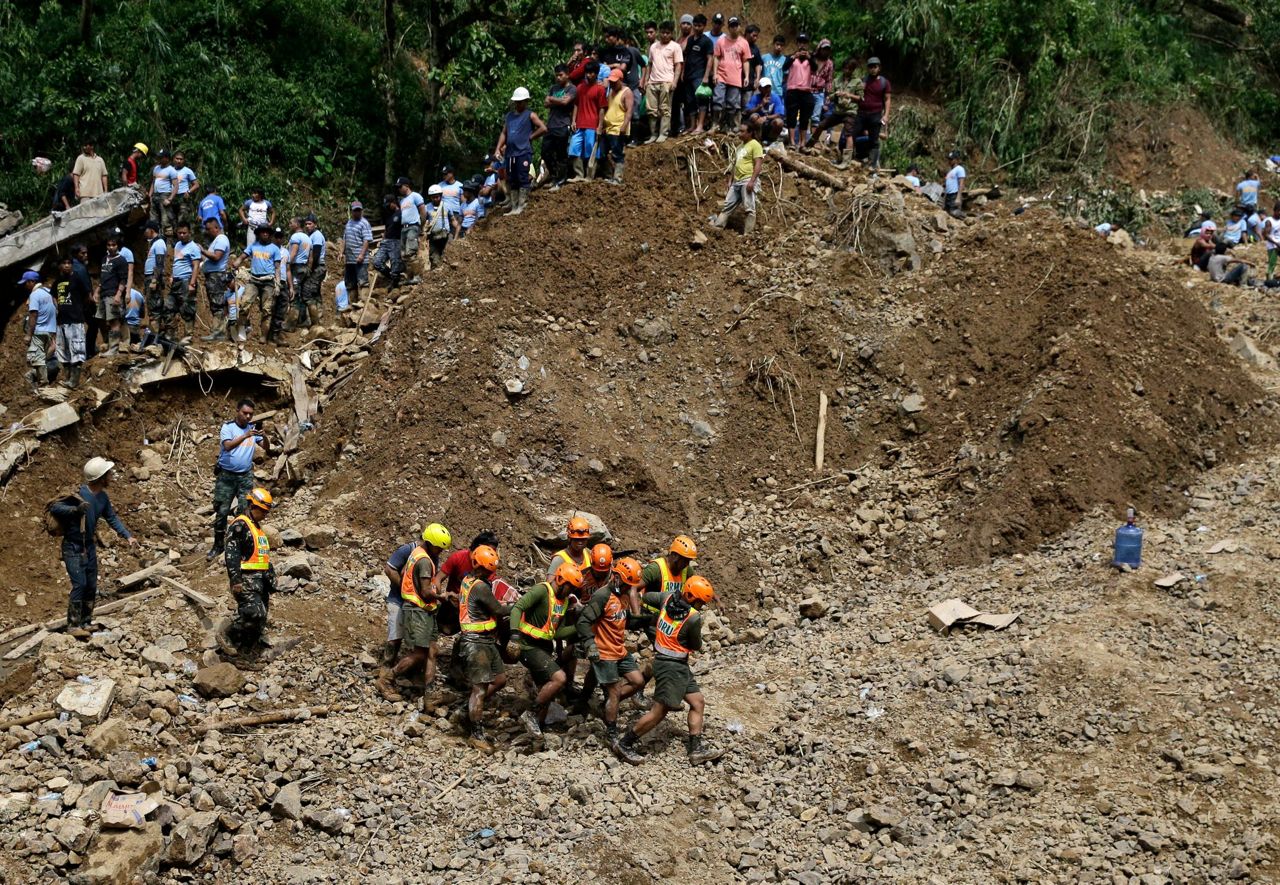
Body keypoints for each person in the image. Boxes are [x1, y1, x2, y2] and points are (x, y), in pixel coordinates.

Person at [614, 575, 721, 765]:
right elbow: (696, 644)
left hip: (669, 662)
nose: (701, 606)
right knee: (658, 711)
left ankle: (696, 749)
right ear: (693, 598)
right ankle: (625, 743)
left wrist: (653, 617)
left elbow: (646, 597)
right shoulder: (693, 617)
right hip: (673, 666)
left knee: (697, 701)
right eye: (700, 602)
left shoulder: (667, 598)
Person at [50, 458, 139, 638]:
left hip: (88, 546)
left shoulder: (103, 498)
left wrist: (128, 536)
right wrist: (75, 510)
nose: (111, 476)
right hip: (73, 547)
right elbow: (55, 508)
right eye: (109, 474)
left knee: (91, 585)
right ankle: (73, 625)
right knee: (80, 584)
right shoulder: (78, 495)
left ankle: (86, 622)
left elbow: (112, 518)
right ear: (100, 478)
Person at [376, 523, 452, 702]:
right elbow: (425, 591)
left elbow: (407, 574)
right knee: (419, 652)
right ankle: (387, 678)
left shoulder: (418, 554)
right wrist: (443, 596)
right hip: (418, 609)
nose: (440, 552)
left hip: (422, 608)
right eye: (439, 548)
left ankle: (429, 694)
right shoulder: (424, 560)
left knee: (432, 650)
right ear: (430, 542)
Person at [511, 561, 585, 740]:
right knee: (559, 678)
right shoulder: (542, 591)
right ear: (560, 580)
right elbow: (518, 607)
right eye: (570, 587)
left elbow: (556, 632)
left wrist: (579, 628)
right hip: (528, 645)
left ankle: (538, 731)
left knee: (547, 690)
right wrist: (514, 636)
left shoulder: (564, 602)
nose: (571, 592)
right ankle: (531, 714)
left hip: (543, 647)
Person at [577, 556, 647, 743]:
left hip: (619, 649)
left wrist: (643, 620)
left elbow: (623, 619)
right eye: (625, 584)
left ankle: (603, 705)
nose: (627, 589)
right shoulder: (602, 596)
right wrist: (590, 644)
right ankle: (611, 731)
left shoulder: (623, 595)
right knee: (614, 691)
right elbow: (583, 621)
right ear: (616, 577)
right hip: (604, 651)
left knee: (637, 681)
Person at [453, 545, 510, 752]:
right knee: (480, 688)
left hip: (484, 640)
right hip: (475, 642)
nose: (490, 574)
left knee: (500, 679)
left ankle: (464, 711)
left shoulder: (469, 579)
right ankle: (475, 733)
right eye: (488, 570)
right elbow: (498, 609)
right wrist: (517, 606)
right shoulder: (480, 587)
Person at [217, 487, 277, 657]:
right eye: (263, 511)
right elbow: (232, 554)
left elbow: (260, 556)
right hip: (246, 579)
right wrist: (235, 580)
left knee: (260, 619)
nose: (265, 515)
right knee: (253, 614)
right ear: (252, 506)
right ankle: (227, 633)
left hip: (260, 580)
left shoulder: (256, 528)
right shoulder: (240, 525)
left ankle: (245, 654)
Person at [208, 399, 261, 560]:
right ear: (237, 411)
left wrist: (264, 437)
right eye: (245, 413)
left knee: (244, 511)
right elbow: (228, 446)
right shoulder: (228, 427)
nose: (248, 416)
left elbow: (266, 447)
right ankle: (218, 545)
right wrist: (246, 435)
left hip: (245, 476)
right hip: (227, 476)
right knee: (222, 510)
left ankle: (238, 545)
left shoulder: (252, 429)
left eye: (251, 414)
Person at [494, 87, 547, 215]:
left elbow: (543, 128)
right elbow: (504, 133)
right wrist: (498, 149)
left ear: (526, 101)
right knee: (512, 179)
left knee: (523, 177)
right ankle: (514, 206)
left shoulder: (530, 115)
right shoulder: (509, 116)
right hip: (510, 153)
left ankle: (522, 205)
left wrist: (531, 137)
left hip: (523, 152)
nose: (518, 104)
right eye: (517, 102)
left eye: (521, 101)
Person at [711, 121, 764, 234]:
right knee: (727, 206)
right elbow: (735, 164)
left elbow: (758, 165)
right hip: (737, 182)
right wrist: (730, 180)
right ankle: (717, 228)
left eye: (742, 131)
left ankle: (748, 234)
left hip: (747, 179)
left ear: (750, 133)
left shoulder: (755, 145)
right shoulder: (740, 147)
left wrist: (752, 181)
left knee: (749, 208)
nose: (739, 133)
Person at [805, 56, 860, 163]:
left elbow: (861, 98)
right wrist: (831, 97)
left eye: (849, 69)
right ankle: (809, 145)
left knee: (849, 134)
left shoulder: (857, 82)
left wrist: (848, 95)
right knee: (821, 125)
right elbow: (831, 95)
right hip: (838, 111)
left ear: (853, 70)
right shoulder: (837, 80)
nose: (847, 71)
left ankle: (846, 160)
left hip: (850, 112)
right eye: (845, 68)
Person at [235, 225, 282, 342]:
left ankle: (263, 336)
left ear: (269, 234)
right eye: (263, 232)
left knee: (267, 309)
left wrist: (278, 284)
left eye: (267, 232)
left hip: (268, 281)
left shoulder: (274, 249)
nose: (265, 234)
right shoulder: (253, 246)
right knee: (244, 304)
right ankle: (241, 331)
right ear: (259, 234)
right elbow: (242, 256)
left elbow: (277, 268)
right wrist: (237, 262)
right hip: (254, 280)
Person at [53, 253, 89, 389]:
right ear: (60, 266)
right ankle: (67, 379)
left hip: (75, 320)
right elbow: (54, 296)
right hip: (61, 321)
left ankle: (74, 382)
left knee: (77, 349)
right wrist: (57, 307)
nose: (67, 265)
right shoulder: (58, 281)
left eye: (69, 263)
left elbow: (87, 296)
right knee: (63, 350)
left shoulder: (77, 279)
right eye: (64, 263)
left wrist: (78, 309)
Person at [709, 16, 751, 132]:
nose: (734, 28)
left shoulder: (744, 43)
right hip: (721, 75)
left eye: (736, 25)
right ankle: (715, 124)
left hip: (735, 77)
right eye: (732, 26)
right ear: (728, 27)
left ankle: (728, 126)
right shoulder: (721, 41)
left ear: (739, 27)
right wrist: (715, 73)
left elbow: (746, 60)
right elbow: (716, 57)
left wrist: (746, 76)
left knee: (732, 104)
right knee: (717, 100)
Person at [643, 21, 683, 143]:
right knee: (651, 109)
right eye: (663, 32)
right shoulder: (653, 47)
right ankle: (653, 134)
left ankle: (663, 133)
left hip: (667, 81)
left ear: (671, 34)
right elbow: (649, 64)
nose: (665, 35)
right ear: (659, 33)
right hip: (653, 82)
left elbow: (678, 65)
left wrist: (675, 81)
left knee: (665, 109)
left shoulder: (675, 46)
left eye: (668, 33)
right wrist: (646, 80)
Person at [569, 67, 607, 182]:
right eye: (587, 73)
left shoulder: (600, 89)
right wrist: (573, 120)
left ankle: (590, 176)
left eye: (591, 73)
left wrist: (600, 125)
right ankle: (579, 174)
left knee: (591, 151)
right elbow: (576, 104)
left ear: (596, 74)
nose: (588, 75)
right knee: (573, 148)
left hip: (592, 124)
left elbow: (602, 109)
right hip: (580, 124)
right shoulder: (580, 88)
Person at [543, 65, 578, 189]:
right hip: (551, 124)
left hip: (563, 124)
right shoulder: (554, 88)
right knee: (545, 152)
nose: (558, 77)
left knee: (561, 154)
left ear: (567, 75)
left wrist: (552, 99)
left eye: (561, 75)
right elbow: (545, 103)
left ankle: (560, 180)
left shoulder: (572, 88)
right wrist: (556, 100)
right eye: (556, 75)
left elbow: (565, 102)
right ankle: (554, 176)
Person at [166, 223, 202, 340]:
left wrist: (192, 283)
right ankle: (170, 335)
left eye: (184, 233)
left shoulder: (193, 247)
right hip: (176, 281)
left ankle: (188, 337)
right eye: (179, 233)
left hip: (186, 281)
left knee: (187, 309)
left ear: (189, 233)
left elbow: (196, 266)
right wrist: (172, 275)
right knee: (169, 307)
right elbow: (176, 262)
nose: (182, 235)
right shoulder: (177, 245)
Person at [599, 69, 634, 184]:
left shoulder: (627, 92)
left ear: (621, 80)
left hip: (618, 129)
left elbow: (629, 111)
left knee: (617, 154)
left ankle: (617, 178)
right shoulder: (611, 92)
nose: (612, 84)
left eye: (615, 82)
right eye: (611, 82)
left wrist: (624, 126)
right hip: (608, 128)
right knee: (602, 153)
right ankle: (608, 175)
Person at [22, 270, 56, 388]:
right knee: (44, 355)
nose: (25, 286)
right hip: (50, 330)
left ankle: (43, 384)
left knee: (37, 358)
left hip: (39, 330)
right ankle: (43, 380)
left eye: (26, 283)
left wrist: (29, 334)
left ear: (32, 282)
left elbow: (33, 315)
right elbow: (56, 308)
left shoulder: (34, 295)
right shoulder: (49, 291)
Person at [200, 217, 232, 340]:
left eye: (209, 229)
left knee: (217, 304)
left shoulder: (222, 239)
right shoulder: (217, 240)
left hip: (216, 276)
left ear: (216, 227)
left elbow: (216, 257)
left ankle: (218, 332)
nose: (207, 231)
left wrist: (202, 250)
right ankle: (218, 332)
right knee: (215, 304)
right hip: (213, 276)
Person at [682, 15, 714, 134]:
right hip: (688, 76)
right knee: (690, 101)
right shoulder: (690, 40)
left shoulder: (707, 41)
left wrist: (706, 76)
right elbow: (686, 56)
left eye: (699, 26)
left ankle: (700, 126)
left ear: (704, 26)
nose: (696, 28)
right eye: (695, 25)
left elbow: (710, 59)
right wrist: (683, 73)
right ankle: (692, 126)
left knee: (701, 100)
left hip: (699, 76)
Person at [782, 35, 816, 147]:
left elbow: (815, 69)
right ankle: (792, 141)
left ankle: (802, 142)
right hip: (792, 90)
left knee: (804, 118)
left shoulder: (811, 58)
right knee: (791, 116)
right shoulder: (790, 57)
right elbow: (784, 67)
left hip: (806, 90)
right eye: (800, 42)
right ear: (797, 44)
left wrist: (809, 57)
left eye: (804, 42)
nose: (802, 45)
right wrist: (793, 57)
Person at [341, 201, 373, 305]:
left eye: (359, 210)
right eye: (355, 210)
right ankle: (352, 303)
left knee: (363, 281)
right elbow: (345, 238)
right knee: (350, 283)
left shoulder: (364, 223)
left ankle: (364, 303)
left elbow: (367, 240)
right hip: (350, 259)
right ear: (352, 211)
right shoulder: (349, 223)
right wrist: (342, 252)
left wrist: (362, 255)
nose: (357, 212)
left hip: (360, 259)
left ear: (361, 211)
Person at [285, 216, 312, 330]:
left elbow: (294, 252)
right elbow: (311, 256)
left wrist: (287, 263)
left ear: (297, 224)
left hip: (296, 267)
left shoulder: (295, 237)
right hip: (305, 268)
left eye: (291, 223)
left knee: (294, 295)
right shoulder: (307, 237)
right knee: (302, 296)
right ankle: (303, 320)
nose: (289, 224)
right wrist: (309, 269)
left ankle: (290, 325)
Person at [141, 221, 167, 337]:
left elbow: (160, 264)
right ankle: (153, 335)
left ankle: (155, 336)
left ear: (151, 230)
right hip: (149, 277)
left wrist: (154, 280)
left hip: (153, 277)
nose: (144, 232)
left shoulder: (160, 243)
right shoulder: (154, 244)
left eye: (145, 230)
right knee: (151, 307)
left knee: (155, 308)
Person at [372, 194, 404, 287]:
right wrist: (383, 240)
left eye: (388, 205)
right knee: (377, 263)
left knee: (395, 266)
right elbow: (386, 229)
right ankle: (391, 277)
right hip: (386, 242)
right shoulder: (388, 215)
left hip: (396, 241)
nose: (387, 207)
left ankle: (395, 286)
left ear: (394, 203)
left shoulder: (401, 213)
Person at [744, 78, 786, 144]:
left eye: (769, 87)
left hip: (770, 123)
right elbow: (748, 111)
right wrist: (760, 105)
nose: (767, 89)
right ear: (760, 89)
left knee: (779, 122)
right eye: (765, 87)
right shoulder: (755, 97)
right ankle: (757, 139)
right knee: (754, 117)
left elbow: (779, 114)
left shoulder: (776, 98)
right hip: (757, 124)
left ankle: (771, 140)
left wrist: (765, 117)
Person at [808, 40, 835, 138]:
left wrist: (828, 96)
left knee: (816, 117)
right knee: (805, 115)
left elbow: (829, 80)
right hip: (807, 90)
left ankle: (813, 140)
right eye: (824, 49)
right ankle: (802, 139)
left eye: (827, 49)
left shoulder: (829, 63)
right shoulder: (811, 59)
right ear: (819, 49)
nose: (825, 51)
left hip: (820, 92)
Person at [396, 177, 425, 266]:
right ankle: (408, 276)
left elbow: (423, 211)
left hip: (413, 226)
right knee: (404, 254)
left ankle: (416, 276)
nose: (399, 189)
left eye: (400, 186)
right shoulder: (402, 201)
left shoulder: (415, 196)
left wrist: (421, 226)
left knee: (411, 252)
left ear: (407, 186)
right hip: (403, 228)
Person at [149, 149, 178, 237]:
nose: (160, 159)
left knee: (166, 221)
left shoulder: (171, 170)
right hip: (155, 195)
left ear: (167, 158)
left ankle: (169, 243)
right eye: (159, 157)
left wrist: (170, 199)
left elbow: (176, 186)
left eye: (162, 157)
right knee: (153, 220)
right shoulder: (156, 168)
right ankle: (155, 239)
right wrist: (150, 195)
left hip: (165, 195)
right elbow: (153, 182)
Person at [304, 215, 327, 319]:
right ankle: (319, 312)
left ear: (315, 225)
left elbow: (316, 254)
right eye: (306, 224)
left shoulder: (317, 235)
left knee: (308, 292)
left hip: (317, 267)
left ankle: (313, 319)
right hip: (317, 267)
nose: (307, 226)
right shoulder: (311, 235)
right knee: (315, 291)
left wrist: (310, 269)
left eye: (310, 224)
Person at [425, 185, 452, 270]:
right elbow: (423, 221)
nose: (435, 199)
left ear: (441, 196)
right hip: (433, 237)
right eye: (433, 197)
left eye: (437, 197)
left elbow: (453, 220)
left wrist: (456, 234)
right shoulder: (426, 207)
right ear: (430, 197)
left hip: (446, 236)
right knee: (434, 258)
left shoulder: (447, 206)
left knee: (447, 257)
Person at [171, 152, 200, 231]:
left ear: (184, 160)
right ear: (173, 159)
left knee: (182, 220)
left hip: (183, 197)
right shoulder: (170, 170)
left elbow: (196, 185)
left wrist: (189, 192)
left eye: (181, 159)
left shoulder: (187, 171)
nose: (179, 161)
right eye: (177, 159)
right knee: (171, 220)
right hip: (171, 197)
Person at [438, 166, 465, 230]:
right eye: (443, 174)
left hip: (455, 213)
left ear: (452, 174)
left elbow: (464, 202)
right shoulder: (439, 186)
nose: (444, 176)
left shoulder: (460, 186)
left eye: (446, 174)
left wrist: (463, 215)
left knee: (454, 232)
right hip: (443, 213)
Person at [762, 35, 787, 101]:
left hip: (778, 91)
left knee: (777, 111)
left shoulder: (785, 60)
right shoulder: (764, 58)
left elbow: (786, 77)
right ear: (773, 44)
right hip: (764, 91)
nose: (779, 47)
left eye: (781, 45)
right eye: (777, 44)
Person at [944, 151, 966, 218]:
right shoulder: (950, 171)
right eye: (949, 159)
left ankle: (966, 218)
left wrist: (958, 197)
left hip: (954, 194)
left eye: (951, 159)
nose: (949, 161)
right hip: (948, 195)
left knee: (954, 212)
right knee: (947, 213)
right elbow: (947, 185)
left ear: (956, 160)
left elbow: (961, 183)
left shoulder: (960, 169)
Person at [744, 24, 764, 91]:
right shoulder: (740, 44)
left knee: (748, 101)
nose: (755, 38)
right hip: (736, 81)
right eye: (754, 35)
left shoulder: (755, 49)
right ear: (747, 34)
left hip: (749, 83)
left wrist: (757, 78)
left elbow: (758, 64)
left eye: (757, 36)